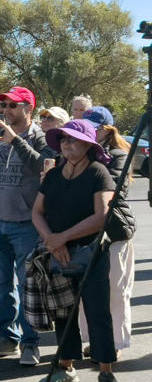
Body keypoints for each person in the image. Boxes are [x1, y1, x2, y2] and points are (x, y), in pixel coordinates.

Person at [0, 86, 56, 365]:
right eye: (3, 106)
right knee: (1, 284)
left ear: (28, 108)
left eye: (13, 106)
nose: (6, 111)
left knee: (27, 286)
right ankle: (7, 338)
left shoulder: (40, 137)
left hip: (27, 224)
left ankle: (31, 344)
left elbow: (44, 167)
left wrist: (15, 140)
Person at [32, 119, 117, 382]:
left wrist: (62, 238)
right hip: (57, 252)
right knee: (63, 313)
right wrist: (51, 240)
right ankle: (66, 367)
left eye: (73, 139)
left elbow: (101, 217)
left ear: (88, 145)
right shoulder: (54, 174)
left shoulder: (98, 172)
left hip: (90, 253)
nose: (66, 143)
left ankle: (105, 371)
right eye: (63, 139)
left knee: (97, 312)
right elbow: (37, 211)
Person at [81, 106, 135, 358]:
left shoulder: (117, 154)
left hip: (113, 231)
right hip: (85, 231)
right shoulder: (81, 153)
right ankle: (93, 339)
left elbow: (115, 188)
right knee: (86, 292)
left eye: (94, 129)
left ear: (105, 129)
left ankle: (113, 343)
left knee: (115, 290)